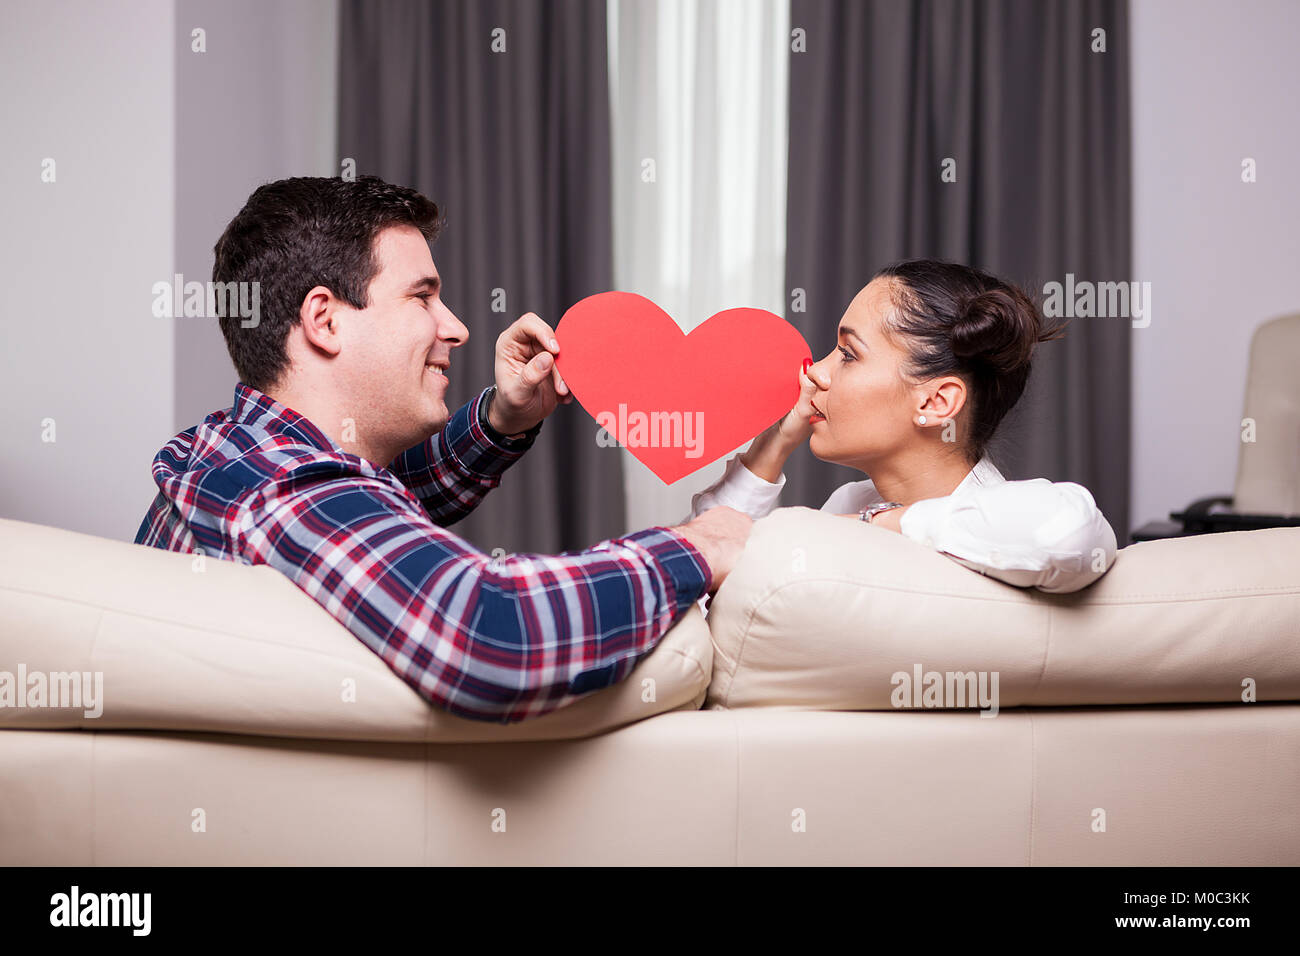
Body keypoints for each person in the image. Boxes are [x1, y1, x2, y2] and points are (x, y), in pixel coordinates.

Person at [135, 175, 751, 724]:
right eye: (422, 297)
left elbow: (385, 498)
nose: (454, 327)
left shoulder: (239, 450)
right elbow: (492, 637)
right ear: (324, 321)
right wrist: (701, 544)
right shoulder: (281, 490)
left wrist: (502, 419)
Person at [688, 259, 1117, 593]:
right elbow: (709, 566)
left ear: (935, 401)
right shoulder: (848, 501)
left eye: (848, 354)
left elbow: (1069, 534)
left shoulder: (1004, 528)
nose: (814, 371)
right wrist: (775, 443)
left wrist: (869, 525)